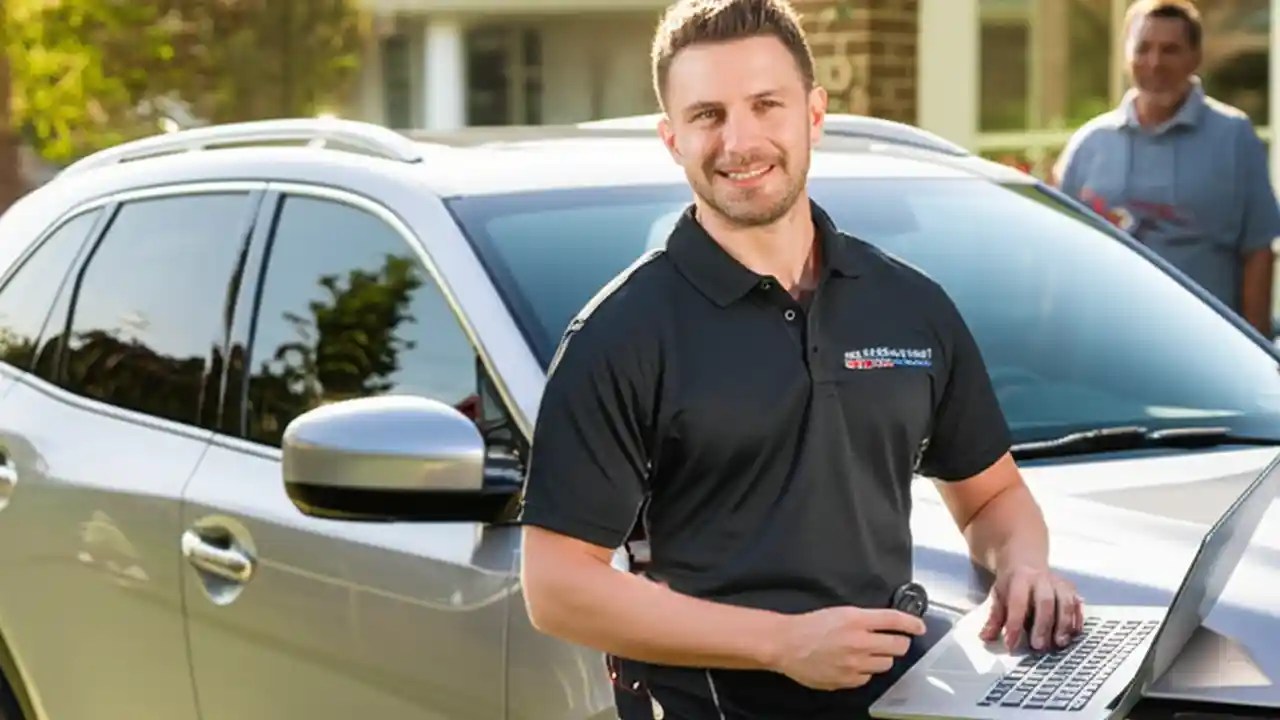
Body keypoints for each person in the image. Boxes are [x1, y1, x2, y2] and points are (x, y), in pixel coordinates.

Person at [518, 0, 1083, 717]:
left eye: (765, 105)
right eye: (707, 115)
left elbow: (993, 497)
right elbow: (558, 586)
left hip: (900, 700)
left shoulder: (909, 304)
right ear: (672, 139)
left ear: (814, 114)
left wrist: (1024, 567)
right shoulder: (622, 333)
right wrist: (782, 644)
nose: (740, 141)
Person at [1053, 0, 1280, 337]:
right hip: (1108, 340)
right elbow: (1059, 253)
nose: (1155, 63)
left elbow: (1259, 251)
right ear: (1125, 57)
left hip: (1207, 342)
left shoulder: (1234, 136)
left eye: (1170, 50)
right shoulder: (1090, 144)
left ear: (1195, 57)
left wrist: (1255, 346)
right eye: (1143, 49)